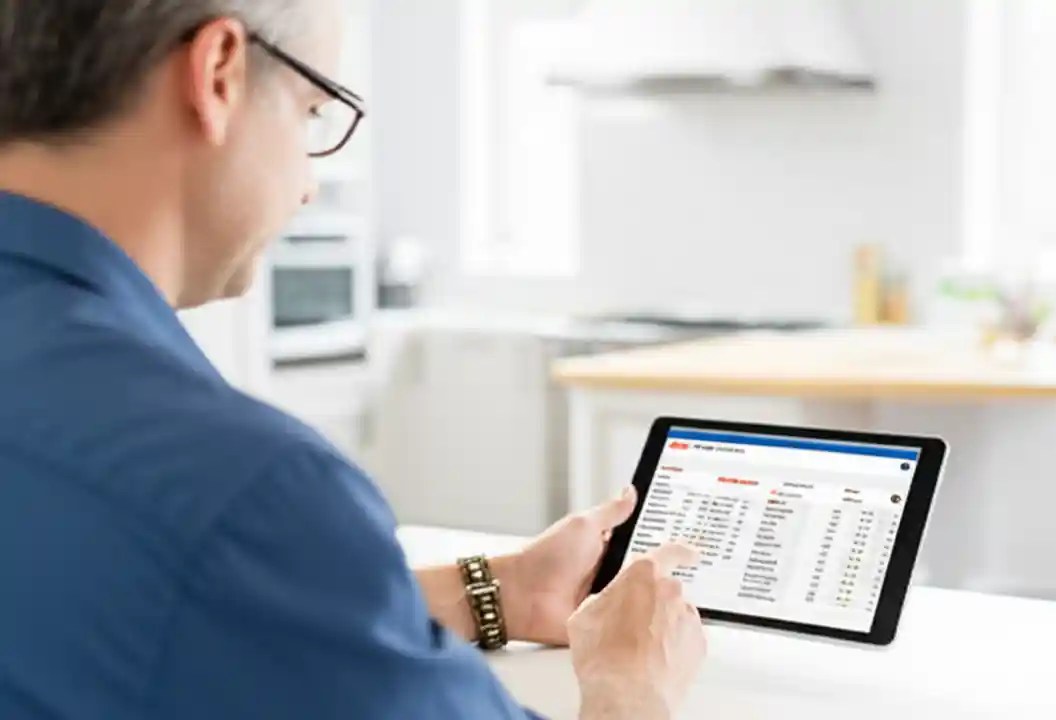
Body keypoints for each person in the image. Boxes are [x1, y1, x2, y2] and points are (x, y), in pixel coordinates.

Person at [0, 1, 706, 718]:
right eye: (312, 112)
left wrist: (501, 590)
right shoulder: (243, 488)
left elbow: (149, 601)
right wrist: (630, 682)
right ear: (219, 74)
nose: (308, 184)